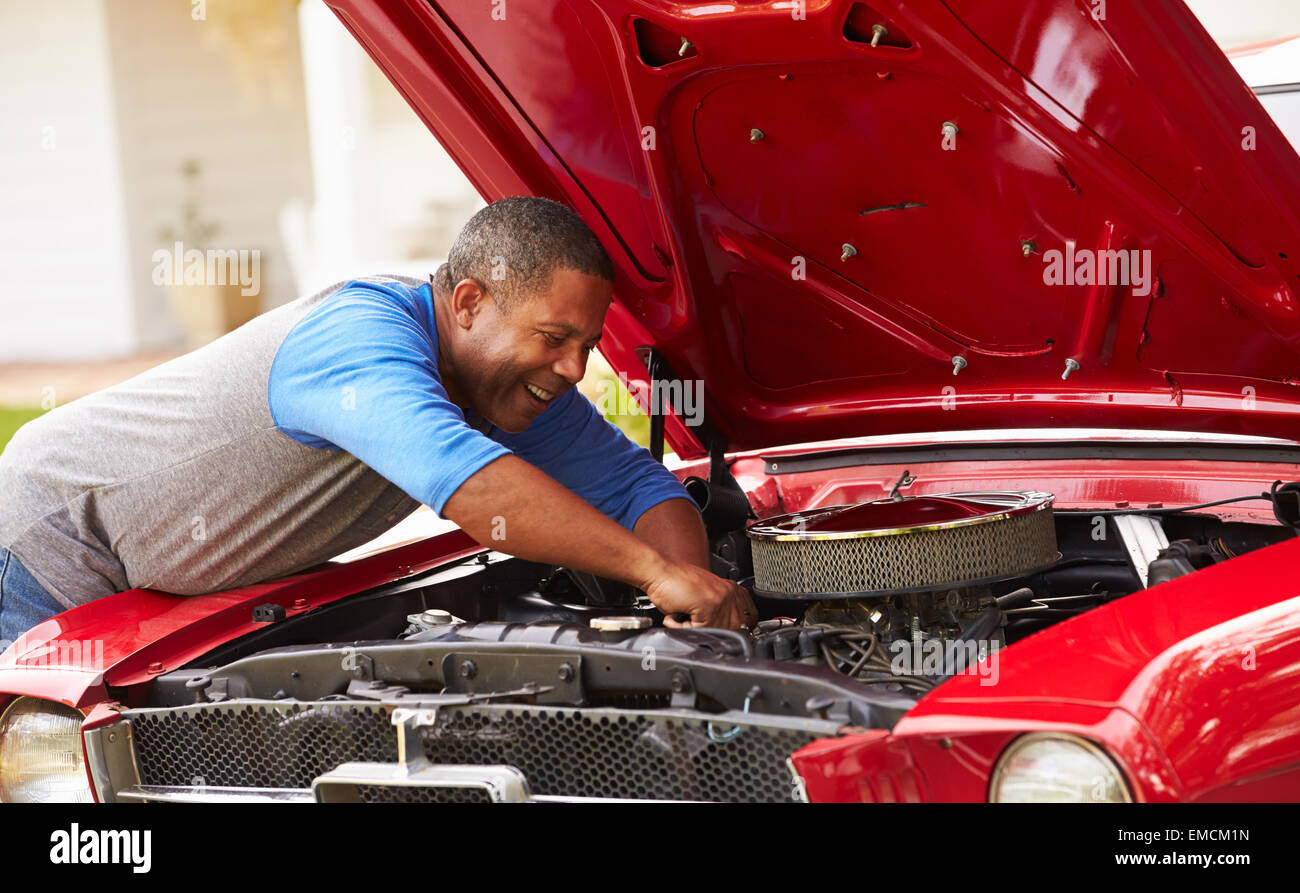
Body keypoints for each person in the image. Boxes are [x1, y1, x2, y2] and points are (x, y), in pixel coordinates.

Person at [0, 197, 757, 645]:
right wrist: (653, 572)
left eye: (587, 346)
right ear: (467, 304)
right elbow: (471, 484)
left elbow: (636, 486)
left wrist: (690, 598)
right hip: (49, 548)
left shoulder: (510, 384)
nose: (574, 369)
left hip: (167, 578)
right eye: (554, 339)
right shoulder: (360, 339)